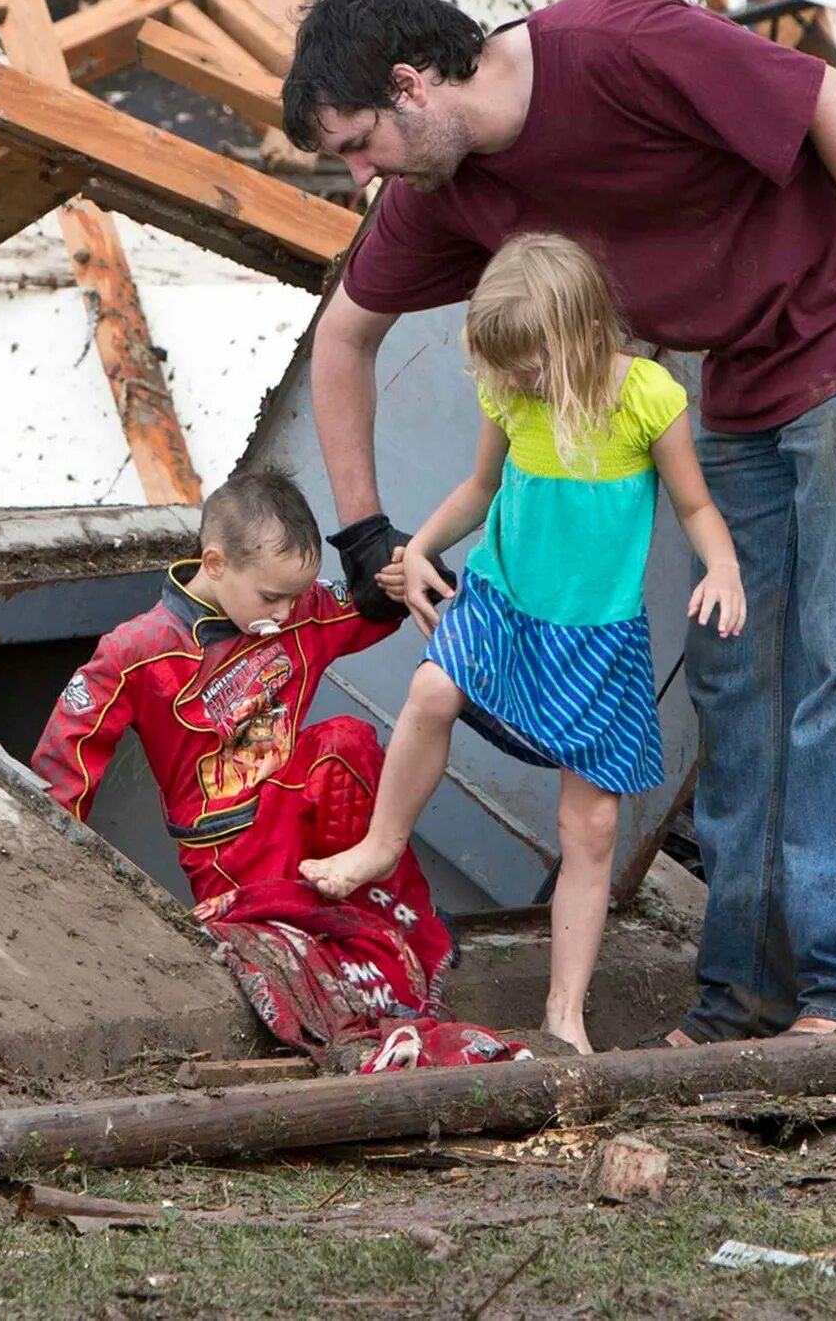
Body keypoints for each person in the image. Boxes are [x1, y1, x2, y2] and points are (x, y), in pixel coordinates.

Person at [283, 0, 836, 1044]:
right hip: (743, 368)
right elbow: (344, 336)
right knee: (736, 673)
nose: (360, 173)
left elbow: (831, 101)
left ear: (410, 84)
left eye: (358, 143)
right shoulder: (444, 190)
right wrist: (365, 531)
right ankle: (744, 993)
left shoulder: (613, 46)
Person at [302, 234, 744, 1055]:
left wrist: (722, 568)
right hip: (505, 601)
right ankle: (382, 841)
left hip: (598, 637)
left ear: (579, 334)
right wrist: (419, 549)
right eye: (502, 367)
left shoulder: (649, 399)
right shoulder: (511, 396)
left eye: (528, 364)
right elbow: (480, 487)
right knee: (433, 691)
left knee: (593, 826)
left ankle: (564, 1011)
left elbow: (695, 508)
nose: (513, 380)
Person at [29, 465, 522, 1070]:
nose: (288, 613)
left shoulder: (303, 610)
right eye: (271, 598)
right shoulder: (138, 650)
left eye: (297, 595)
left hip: (306, 822)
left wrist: (401, 576)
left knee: (346, 739)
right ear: (214, 564)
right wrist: (57, 863)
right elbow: (68, 753)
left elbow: (364, 607)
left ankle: (383, 922)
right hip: (226, 849)